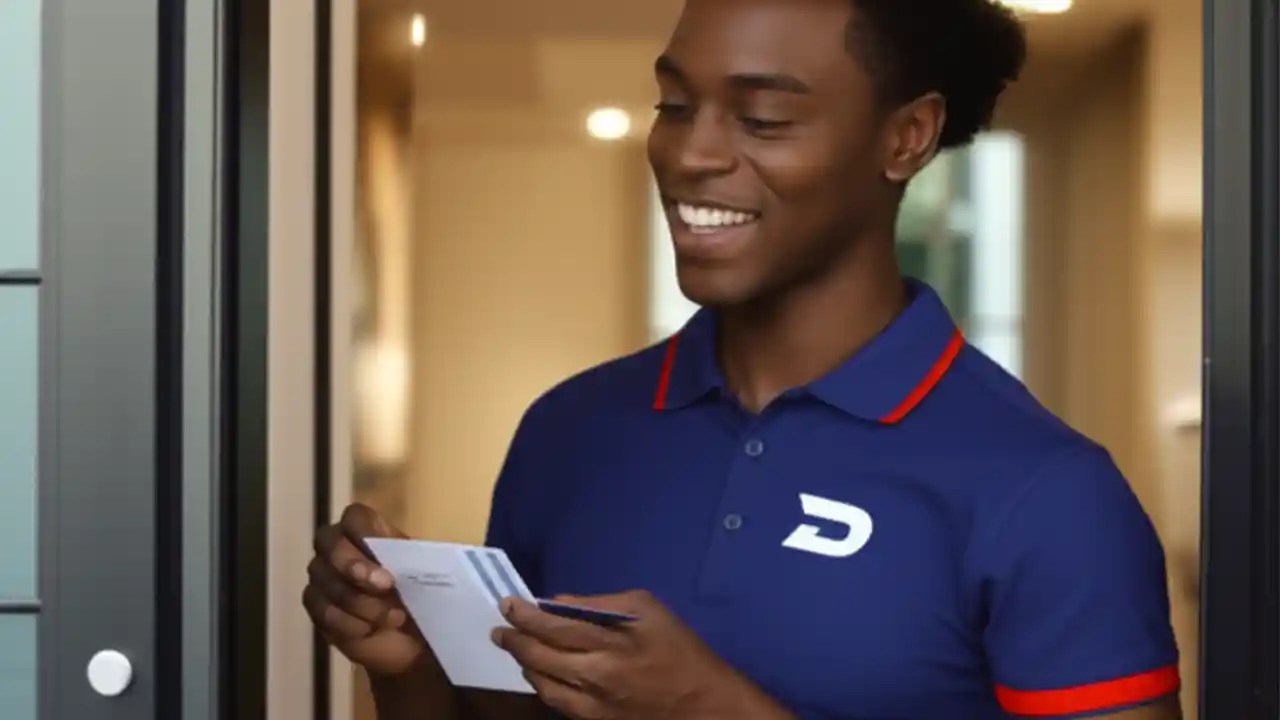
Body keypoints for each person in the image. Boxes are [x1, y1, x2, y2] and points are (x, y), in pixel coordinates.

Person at [304, 0, 1183, 717]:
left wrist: (708, 706)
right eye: (675, 106)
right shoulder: (569, 431)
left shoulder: (1049, 492)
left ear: (906, 137)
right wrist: (409, 667)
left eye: (763, 117)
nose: (690, 154)